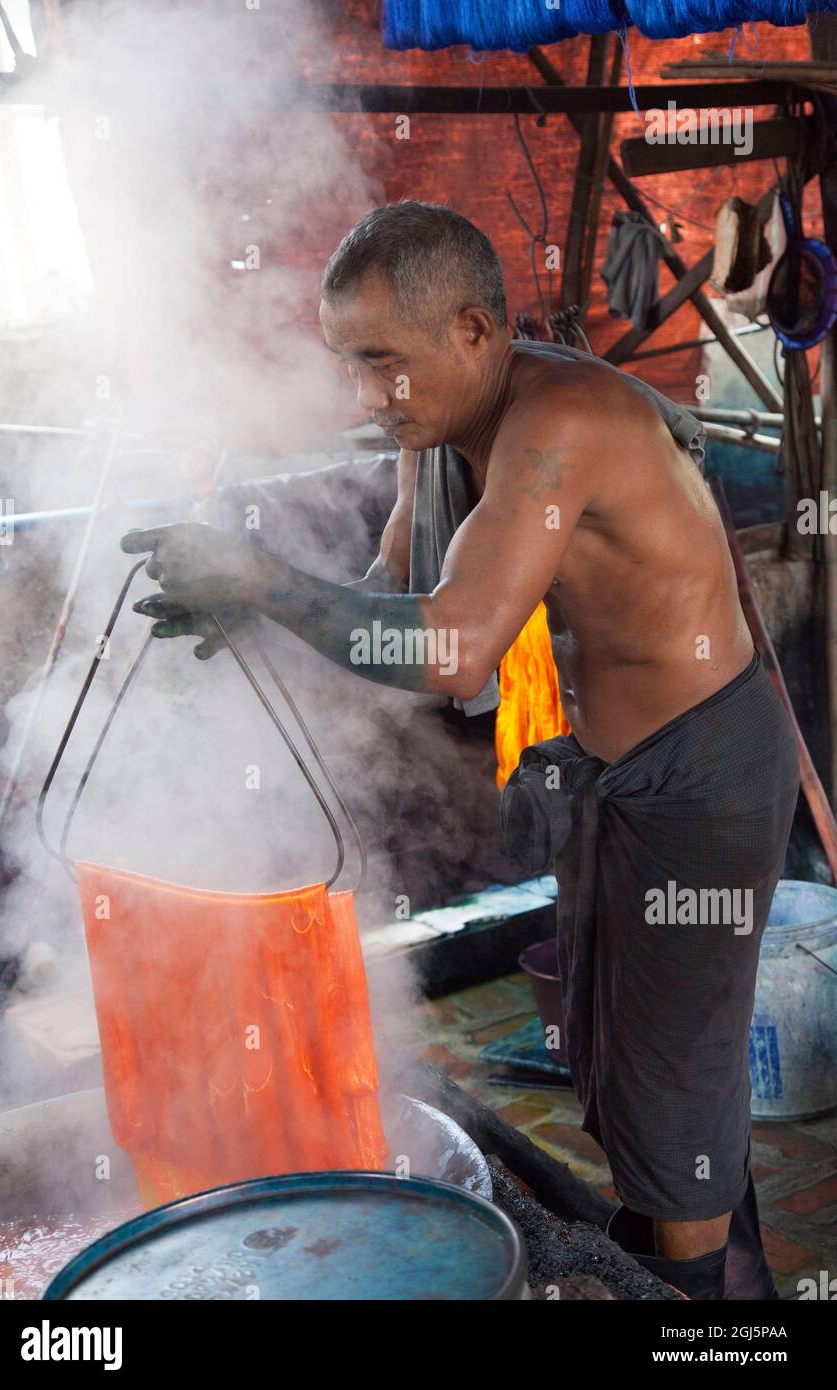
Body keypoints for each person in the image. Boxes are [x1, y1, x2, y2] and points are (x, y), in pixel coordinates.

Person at [120, 201, 799, 1300]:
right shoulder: (437, 428)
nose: (363, 395)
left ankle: (705, 1311)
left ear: (475, 331)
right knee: (637, 1067)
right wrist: (252, 610)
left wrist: (266, 582)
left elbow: (449, 651)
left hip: (700, 776)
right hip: (616, 773)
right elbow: (390, 603)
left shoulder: (560, 421)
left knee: (673, 1072)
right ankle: (719, 1276)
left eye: (382, 362)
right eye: (346, 364)